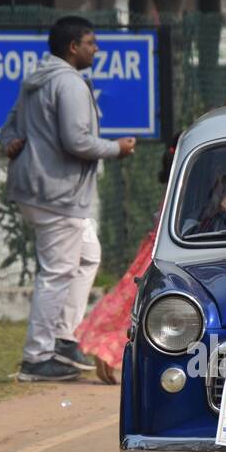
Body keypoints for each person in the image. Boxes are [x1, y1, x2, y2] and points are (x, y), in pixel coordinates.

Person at [0, 16, 136, 381]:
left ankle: (63, 337)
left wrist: (9, 141)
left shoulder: (36, 79)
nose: (97, 49)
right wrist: (116, 148)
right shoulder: (69, 83)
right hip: (56, 192)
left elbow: (9, 125)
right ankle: (37, 357)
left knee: (88, 255)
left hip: (38, 187)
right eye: (91, 43)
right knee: (57, 272)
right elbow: (76, 141)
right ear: (73, 47)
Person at [74, 136, 181, 384]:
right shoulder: (185, 187)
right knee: (142, 309)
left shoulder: (170, 187)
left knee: (126, 303)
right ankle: (110, 351)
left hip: (149, 251)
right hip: (163, 254)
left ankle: (104, 349)